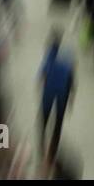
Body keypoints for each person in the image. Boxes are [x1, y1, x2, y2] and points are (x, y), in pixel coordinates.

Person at [39, 32, 75, 161]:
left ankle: (42, 146)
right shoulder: (68, 56)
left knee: (43, 120)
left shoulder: (48, 56)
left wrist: (40, 86)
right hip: (63, 93)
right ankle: (53, 150)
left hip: (49, 92)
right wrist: (72, 95)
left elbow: (42, 75)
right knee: (58, 122)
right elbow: (71, 77)